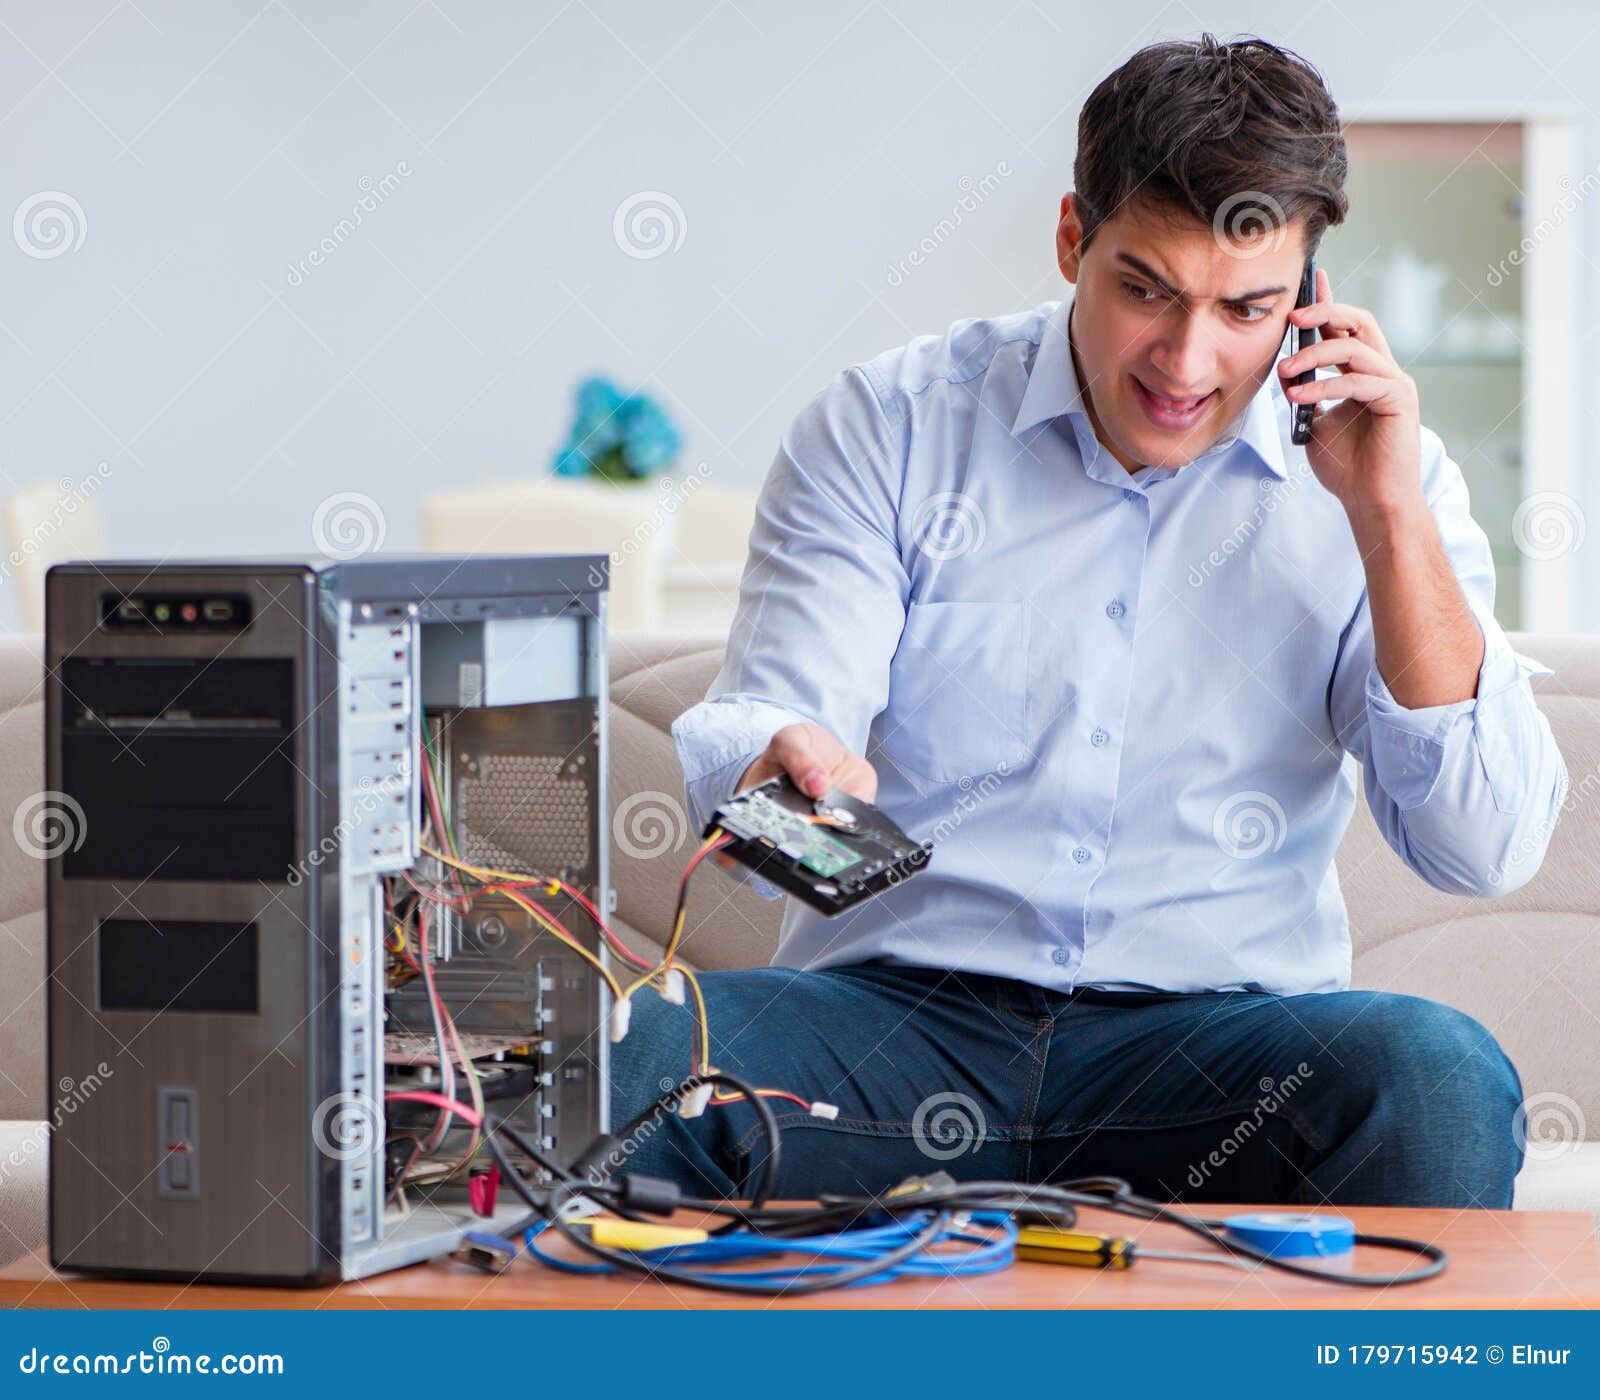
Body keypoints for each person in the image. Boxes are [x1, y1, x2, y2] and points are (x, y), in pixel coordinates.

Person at [609, 34, 1568, 1209]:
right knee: (623, 1057)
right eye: (1144, 289)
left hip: (1213, 1051)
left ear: (1311, 293)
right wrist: (779, 766)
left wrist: (1386, 515)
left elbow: (1481, 847)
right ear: (1073, 238)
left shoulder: (1386, 478)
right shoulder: (889, 427)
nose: (1186, 360)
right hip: (891, 1027)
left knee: (1434, 1078)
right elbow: (778, 719)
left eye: (1246, 307)